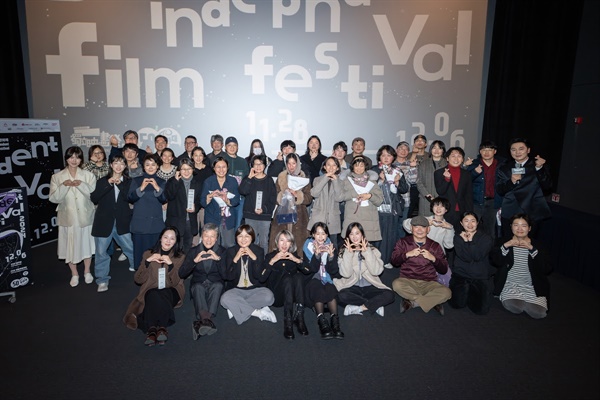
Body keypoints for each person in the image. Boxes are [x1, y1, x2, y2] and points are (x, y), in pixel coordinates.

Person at [123, 227, 185, 346]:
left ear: (176, 241)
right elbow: (138, 279)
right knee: (153, 294)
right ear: (160, 238)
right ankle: (160, 329)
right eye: (166, 237)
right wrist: (147, 262)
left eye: (172, 238)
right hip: (151, 289)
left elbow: (174, 282)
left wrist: (170, 265)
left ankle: (151, 330)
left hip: (172, 290)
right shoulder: (148, 254)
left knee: (159, 294)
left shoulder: (180, 257)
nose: (168, 241)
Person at [49, 146, 96, 287]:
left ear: (81, 159)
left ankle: (87, 271)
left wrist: (81, 184)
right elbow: (53, 198)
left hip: (85, 216)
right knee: (69, 246)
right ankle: (74, 273)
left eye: (77, 157)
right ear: (66, 159)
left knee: (87, 244)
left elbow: (93, 195)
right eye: (71, 157)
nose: (74, 160)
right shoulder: (57, 177)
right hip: (68, 217)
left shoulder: (88, 175)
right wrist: (64, 186)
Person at [492, 213, 552, 319]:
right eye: (516, 225)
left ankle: (529, 299)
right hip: (510, 284)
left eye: (524, 226)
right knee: (515, 307)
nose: (519, 229)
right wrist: (506, 246)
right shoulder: (503, 241)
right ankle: (507, 295)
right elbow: (495, 261)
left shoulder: (538, 245)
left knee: (539, 313)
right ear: (511, 227)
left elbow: (546, 269)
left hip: (532, 286)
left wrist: (532, 250)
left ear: (529, 228)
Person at [90, 155, 135, 291]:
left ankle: (137, 269)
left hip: (122, 220)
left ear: (125, 166)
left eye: (122, 163)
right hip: (104, 222)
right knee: (101, 252)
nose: (119, 166)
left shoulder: (128, 181)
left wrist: (119, 184)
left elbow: (130, 198)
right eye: (116, 163)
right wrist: (108, 184)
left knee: (130, 247)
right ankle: (102, 280)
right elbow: (94, 198)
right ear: (111, 165)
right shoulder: (102, 181)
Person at [390, 215, 451, 315]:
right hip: (407, 280)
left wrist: (433, 259)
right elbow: (394, 261)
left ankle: (412, 302)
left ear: (428, 229)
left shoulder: (435, 245)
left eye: (423, 227)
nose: (419, 230)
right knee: (396, 285)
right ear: (411, 228)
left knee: (447, 292)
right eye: (416, 226)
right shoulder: (403, 242)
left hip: (429, 282)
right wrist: (407, 255)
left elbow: (444, 270)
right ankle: (431, 301)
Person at [496, 138, 552, 238]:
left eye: (521, 149)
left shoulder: (538, 164)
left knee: (529, 242)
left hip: (532, 211)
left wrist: (539, 169)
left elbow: (547, 186)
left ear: (528, 150)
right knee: (509, 241)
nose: (517, 152)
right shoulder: (504, 168)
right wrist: (511, 182)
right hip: (510, 211)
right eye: (513, 150)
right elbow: (500, 190)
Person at [335, 222, 395, 317]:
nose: (354, 237)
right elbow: (346, 274)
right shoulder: (343, 251)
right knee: (341, 295)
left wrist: (367, 252)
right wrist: (348, 254)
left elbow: (376, 272)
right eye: (351, 234)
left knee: (390, 295)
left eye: (357, 233)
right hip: (352, 286)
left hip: (371, 286)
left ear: (362, 234)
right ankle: (374, 305)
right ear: (348, 236)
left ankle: (359, 308)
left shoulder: (373, 250)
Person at [220, 225, 276, 325]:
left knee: (269, 297)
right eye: (240, 236)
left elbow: (260, 277)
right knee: (224, 299)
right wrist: (235, 259)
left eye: (247, 236)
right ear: (236, 238)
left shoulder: (258, 251)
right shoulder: (231, 251)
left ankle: (236, 307)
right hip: (236, 290)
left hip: (255, 289)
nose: (243, 239)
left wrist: (254, 258)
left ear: (252, 238)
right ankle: (258, 313)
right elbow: (228, 277)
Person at [178, 223, 227, 339]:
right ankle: (207, 321)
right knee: (198, 287)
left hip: (215, 283)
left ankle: (201, 322)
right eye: (206, 236)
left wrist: (218, 260)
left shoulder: (222, 251)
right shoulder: (193, 251)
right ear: (201, 236)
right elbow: (181, 273)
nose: (209, 240)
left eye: (212, 236)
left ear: (216, 238)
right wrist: (194, 261)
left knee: (218, 285)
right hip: (198, 283)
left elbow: (226, 276)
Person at [260, 229, 310, 339]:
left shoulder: (293, 256)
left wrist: (296, 260)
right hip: (277, 296)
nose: (284, 244)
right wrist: (272, 261)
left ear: (291, 244)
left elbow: (308, 270)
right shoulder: (270, 256)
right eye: (281, 240)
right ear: (277, 242)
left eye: (288, 241)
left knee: (298, 277)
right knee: (287, 278)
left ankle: (299, 317)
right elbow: (262, 277)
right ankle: (288, 321)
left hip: (291, 297)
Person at [303, 222, 344, 340]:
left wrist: (331, 257)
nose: (320, 237)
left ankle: (335, 322)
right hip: (312, 277)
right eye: (317, 234)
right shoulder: (307, 246)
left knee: (331, 289)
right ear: (313, 235)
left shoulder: (330, 246)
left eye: (323, 233)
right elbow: (311, 269)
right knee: (318, 288)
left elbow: (334, 271)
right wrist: (316, 255)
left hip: (327, 277)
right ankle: (322, 322)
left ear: (327, 235)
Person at [448, 212, 494, 315]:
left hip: (479, 276)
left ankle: (470, 294)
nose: (470, 224)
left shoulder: (486, 238)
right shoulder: (458, 237)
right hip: (461, 274)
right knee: (456, 305)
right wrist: (466, 241)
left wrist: (468, 241)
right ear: (461, 223)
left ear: (477, 223)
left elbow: (477, 256)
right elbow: (465, 257)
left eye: (473, 221)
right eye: (466, 221)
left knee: (481, 311)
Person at [371, 145, 409, 267]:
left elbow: (404, 189)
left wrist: (397, 182)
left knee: (391, 235)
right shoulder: (373, 170)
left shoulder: (397, 170)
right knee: (377, 234)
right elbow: (368, 189)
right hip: (377, 208)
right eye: (383, 155)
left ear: (393, 157)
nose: (386, 158)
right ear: (379, 157)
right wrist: (380, 181)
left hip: (393, 208)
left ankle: (387, 259)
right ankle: (375, 260)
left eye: (389, 155)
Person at [403, 197, 455, 286]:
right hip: (420, 254)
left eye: (442, 206)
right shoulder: (426, 219)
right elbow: (406, 224)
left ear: (446, 210)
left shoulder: (447, 226)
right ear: (432, 207)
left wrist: (450, 228)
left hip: (437, 256)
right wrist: (424, 222)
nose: (438, 208)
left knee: (447, 281)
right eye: (436, 205)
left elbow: (449, 245)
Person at [128, 153, 167, 270]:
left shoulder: (161, 181)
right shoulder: (136, 180)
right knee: (140, 255)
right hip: (139, 223)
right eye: (147, 164)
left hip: (155, 224)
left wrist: (157, 188)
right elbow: (130, 198)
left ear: (157, 166)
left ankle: (154, 277)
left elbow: (164, 199)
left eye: (153, 164)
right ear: (143, 167)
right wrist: (141, 188)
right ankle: (140, 276)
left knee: (156, 254)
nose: (150, 167)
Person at [268, 153, 312, 252]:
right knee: (279, 241)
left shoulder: (304, 178)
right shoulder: (281, 177)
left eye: (293, 163)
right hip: (282, 214)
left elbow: (309, 198)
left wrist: (297, 195)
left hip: (299, 216)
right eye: (289, 163)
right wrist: (283, 194)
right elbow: (274, 195)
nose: (291, 166)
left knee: (298, 243)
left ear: (298, 164)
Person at [336, 155, 383, 243]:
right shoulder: (346, 181)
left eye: (361, 165)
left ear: (365, 167)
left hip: (369, 218)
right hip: (352, 216)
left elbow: (379, 200)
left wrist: (370, 196)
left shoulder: (372, 181)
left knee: (367, 247)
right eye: (356, 165)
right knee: (351, 246)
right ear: (352, 167)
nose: (359, 168)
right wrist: (353, 194)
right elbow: (339, 197)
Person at [464, 140, 505, 240]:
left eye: (489, 150)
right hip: (476, 202)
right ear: (480, 151)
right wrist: (474, 172)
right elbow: (465, 181)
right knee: (470, 228)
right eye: (483, 150)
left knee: (490, 231)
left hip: (493, 203)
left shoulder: (502, 165)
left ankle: (489, 249)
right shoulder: (474, 164)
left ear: (495, 151)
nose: (486, 152)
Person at [238, 155, 277, 254]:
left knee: (264, 242)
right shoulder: (248, 178)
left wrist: (264, 209)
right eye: (256, 164)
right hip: (250, 215)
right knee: (251, 241)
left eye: (261, 164)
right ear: (252, 166)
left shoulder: (269, 180)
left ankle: (263, 262)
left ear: (265, 166)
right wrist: (249, 178)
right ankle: (252, 261)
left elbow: (273, 199)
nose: (258, 166)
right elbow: (242, 191)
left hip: (264, 216)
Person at [164, 159, 203, 254]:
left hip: (190, 221)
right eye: (183, 169)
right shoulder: (172, 181)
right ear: (179, 170)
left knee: (187, 249)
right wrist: (176, 181)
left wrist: (196, 207)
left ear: (193, 169)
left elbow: (199, 200)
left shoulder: (197, 182)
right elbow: (169, 196)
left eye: (189, 169)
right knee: (174, 250)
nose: (186, 172)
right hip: (175, 221)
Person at [200, 157, 240, 248]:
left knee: (229, 245)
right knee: (213, 245)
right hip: (212, 217)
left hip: (228, 218)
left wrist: (227, 200)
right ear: (214, 168)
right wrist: (210, 196)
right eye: (218, 167)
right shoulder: (208, 181)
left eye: (224, 167)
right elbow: (202, 202)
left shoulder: (233, 181)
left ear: (227, 168)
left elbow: (236, 200)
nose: (221, 170)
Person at [434, 147, 473, 231]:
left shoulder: (466, 174)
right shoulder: (439, 173)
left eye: (459, 156)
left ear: (462, 159)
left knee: (460, 235)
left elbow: (468, 195)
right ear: (447, 158)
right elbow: (440, 191)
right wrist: (447, 179)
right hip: (446, 211)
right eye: (453, 156)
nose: (456, 159)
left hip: (462, 211)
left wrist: (469, 212)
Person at [307, 156, 343, 247]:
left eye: (334, 165)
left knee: (332, 247)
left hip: (333, 218)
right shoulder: (317, 179)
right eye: (328, 165)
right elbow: (314, 193)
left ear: (337, 168)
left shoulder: (341, 182)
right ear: (324, 167)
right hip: (318, 217)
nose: (331, 168)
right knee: (315, 247)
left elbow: (339, 198)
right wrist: (325, 178)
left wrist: (335, 181)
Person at [416, 140, 447, 217]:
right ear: (431, 149)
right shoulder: (423, 163)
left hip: (442, 199)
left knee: (440, 221)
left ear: (443, 150)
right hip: (426, 198)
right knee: (425, 221)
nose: (436, 150)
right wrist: (427, 195)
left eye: (439, 148)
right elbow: (419, 182)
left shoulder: (447, 164)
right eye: (434, 148)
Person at [395, 141, 419, 238]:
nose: (403, 151)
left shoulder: (411, 163)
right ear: (396, 150)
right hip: (392, 200)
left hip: (405, 200)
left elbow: (413, 181)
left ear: (408, 152)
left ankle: (400, 246)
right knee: (391, 226)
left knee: (402, 225)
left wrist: (413, 167)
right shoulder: (390, 163)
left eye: (406, 149)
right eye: (401, 148)